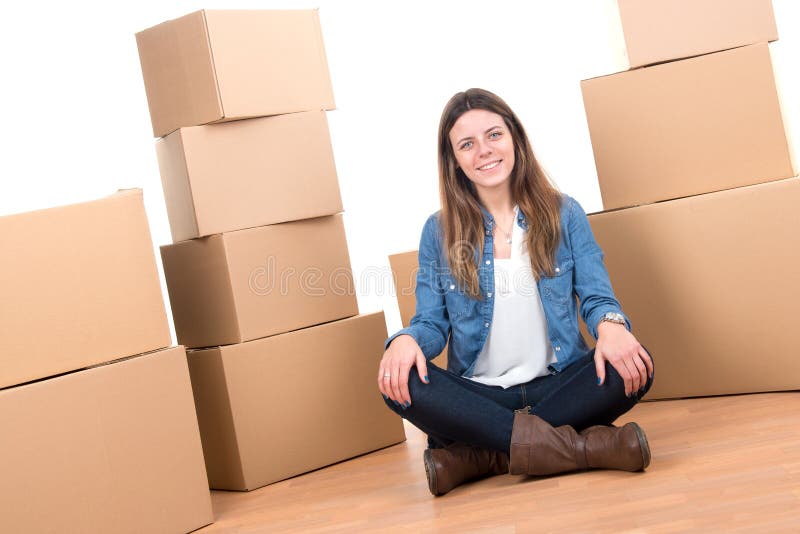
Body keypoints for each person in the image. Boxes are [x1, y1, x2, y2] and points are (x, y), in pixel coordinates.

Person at [378, 88, 655, 496]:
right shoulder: (438, 231)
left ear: (515, 139)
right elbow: (431, 323)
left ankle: (484, 454)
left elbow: (597, 299)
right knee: (400, 384)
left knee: (635, 365)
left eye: (494, 135)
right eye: (467, 144)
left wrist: (612, 327)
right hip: (480, 396)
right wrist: (404, 341)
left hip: (556, 385)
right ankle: (582, 448)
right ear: (453, 160)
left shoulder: (565, 213)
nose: (484, 151)